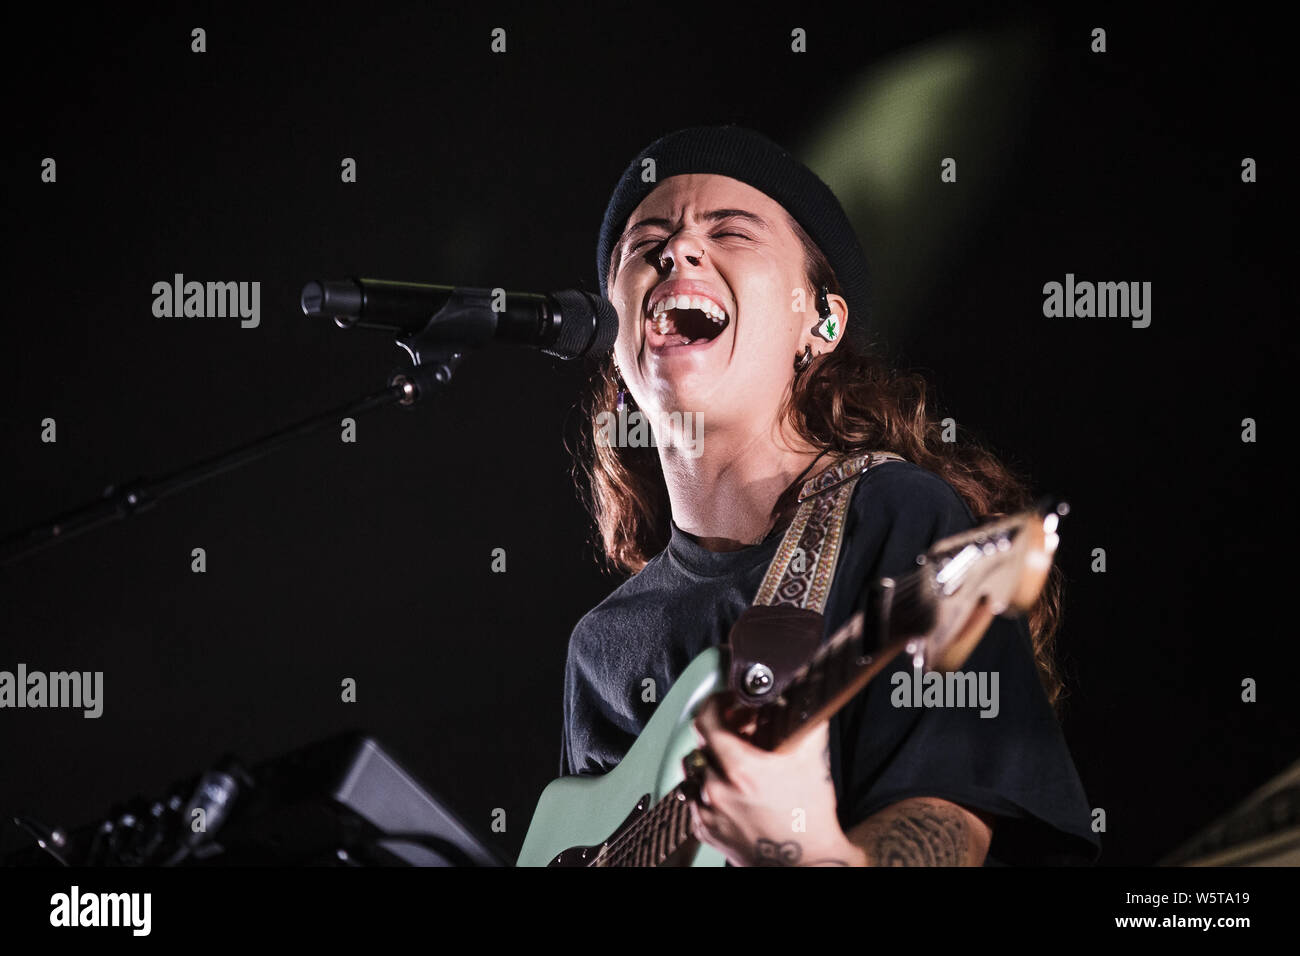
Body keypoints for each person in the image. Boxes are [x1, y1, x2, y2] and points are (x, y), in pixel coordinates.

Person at [559, 125, 1100, 866]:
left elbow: (948, 826)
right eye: (646, 238)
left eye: (731, 232)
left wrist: (807, 851)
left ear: (820, 322)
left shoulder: (897, 518)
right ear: (616, 339)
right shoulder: (602, 642)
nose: (676, 250)